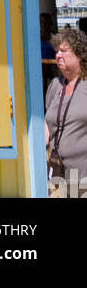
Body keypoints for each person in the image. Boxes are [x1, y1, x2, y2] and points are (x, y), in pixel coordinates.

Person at [45, 26, 87, 197]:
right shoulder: (55, 85)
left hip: (82, 177)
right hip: (57, 175)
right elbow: (48, 122)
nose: (57, 55)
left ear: (79, 55)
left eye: (63, 51)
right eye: (56, 51)